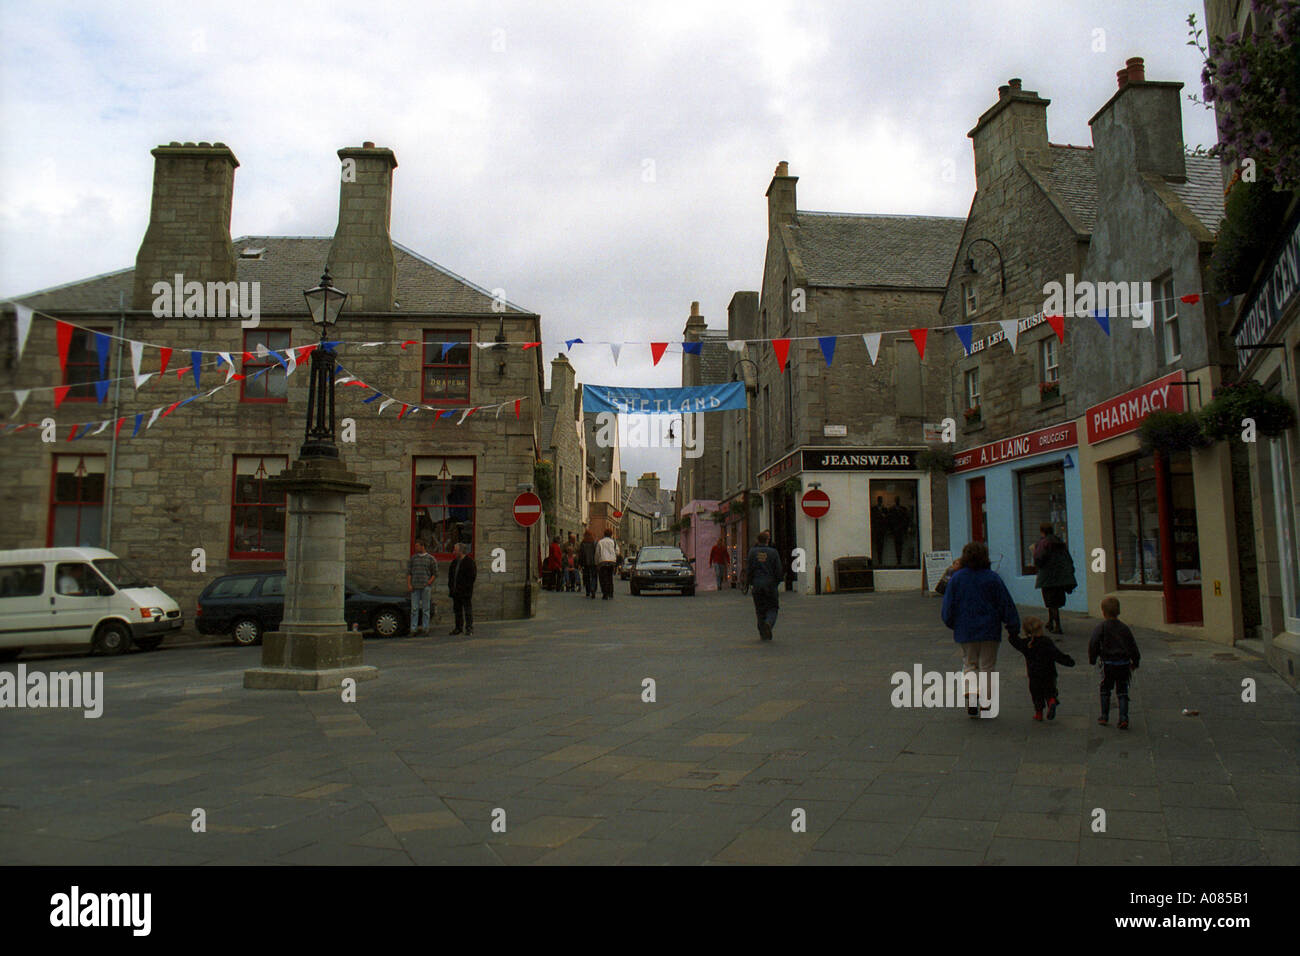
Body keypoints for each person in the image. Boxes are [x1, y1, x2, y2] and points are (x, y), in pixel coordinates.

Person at [941, 541, 1019, 717]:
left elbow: (948, 607)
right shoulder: (992, 578)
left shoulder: (957, 579)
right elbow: (1005, 603)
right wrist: (1012, 625)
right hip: (990, 629)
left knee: (969, 664)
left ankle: (972, 694)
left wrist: (952, 623)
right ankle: (986, 701)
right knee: (987, 666)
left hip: (965, 629)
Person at [1007, 616, 1075, 721]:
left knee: (1036, 694)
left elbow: (1014, 640)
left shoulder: (1026, 644)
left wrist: (1012, 630)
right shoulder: (1047, 642)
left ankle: (1039, 714)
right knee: (1050, 690)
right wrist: (1069, 661)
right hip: (1049, 673)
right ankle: (1051, 701)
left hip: (1034, 674)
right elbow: (1057, 655)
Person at [1088, 596, 1141, 729]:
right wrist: (1135, 661)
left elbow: (1093, 643)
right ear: (1118, 611)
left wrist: (1092, 658)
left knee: (1105, 689)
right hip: (1123, 663)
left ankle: (1104, 716)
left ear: (1103, 612)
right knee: (1122, 691)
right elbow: (1132, 646)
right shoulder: (1124, 628)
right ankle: (1123, 718)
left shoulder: (1101, 627)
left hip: (1108, 663)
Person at [1033, 522, 1076, 634]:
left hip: (1048, 577)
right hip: (1060, 577)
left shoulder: (1042, 543)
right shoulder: (1060, 543)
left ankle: (1057, 625)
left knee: (1051, 603)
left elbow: (1038, 559)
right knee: (1055, 602)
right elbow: (1068, 559)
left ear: (1042, 531)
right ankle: (1050, 622)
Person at [746, 530, 783, 641]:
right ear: (767, 540)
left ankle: (763, 631)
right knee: (773, 607)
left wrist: (750, 582)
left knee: (760, 609)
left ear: (758, 540)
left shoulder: (752, 552)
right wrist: (778, 581)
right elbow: (778, 569)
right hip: (770, 584)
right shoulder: (773, 552)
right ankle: (769, 623)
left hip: (757, 584)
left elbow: (749, 569)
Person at [407, 540, 437, 635]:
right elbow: (409, 573)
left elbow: (435, 573)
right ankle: (413, 629)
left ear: (422, 546)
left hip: (425, 587)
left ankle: (425, 628)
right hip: (415, 586)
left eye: (417, 546)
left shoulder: (430, 559)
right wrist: (409, 584)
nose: (415, 548)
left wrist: (429, 582)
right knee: (414, 609)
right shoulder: (413, 558)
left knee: (425, 609)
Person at [447, 541, 477, 636]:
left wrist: (466, 588)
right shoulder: (454, 562)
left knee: (467, 610)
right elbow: (451, 576)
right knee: (457, 611)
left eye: (455, 550)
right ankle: (458, 627)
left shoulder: (469, 562)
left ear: (460, 551)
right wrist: (451, 587)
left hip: (465, 592)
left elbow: (472, 577)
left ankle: (469, 628)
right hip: (456, 591)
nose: (453, 552)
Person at [596, 529, 618, 599]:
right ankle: (610, 592)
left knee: (603, 578)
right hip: (611, 561)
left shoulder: (600, 542)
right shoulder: (613, 542)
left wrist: (596, 562)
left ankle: (605, 593)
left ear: (604, 534)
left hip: (603, 561)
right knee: (609, 577)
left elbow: (597, 553)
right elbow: (617, 552)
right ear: (611, 534)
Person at [579, 531, 598, 598]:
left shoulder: (583, 543)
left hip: (585, 562)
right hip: (593, 562)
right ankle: (593, 589)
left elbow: (581, 554)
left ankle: (588, 591)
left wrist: (580, 564)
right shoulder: (594, 543)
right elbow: (597, 553)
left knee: (586, 577)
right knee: (593, 576)